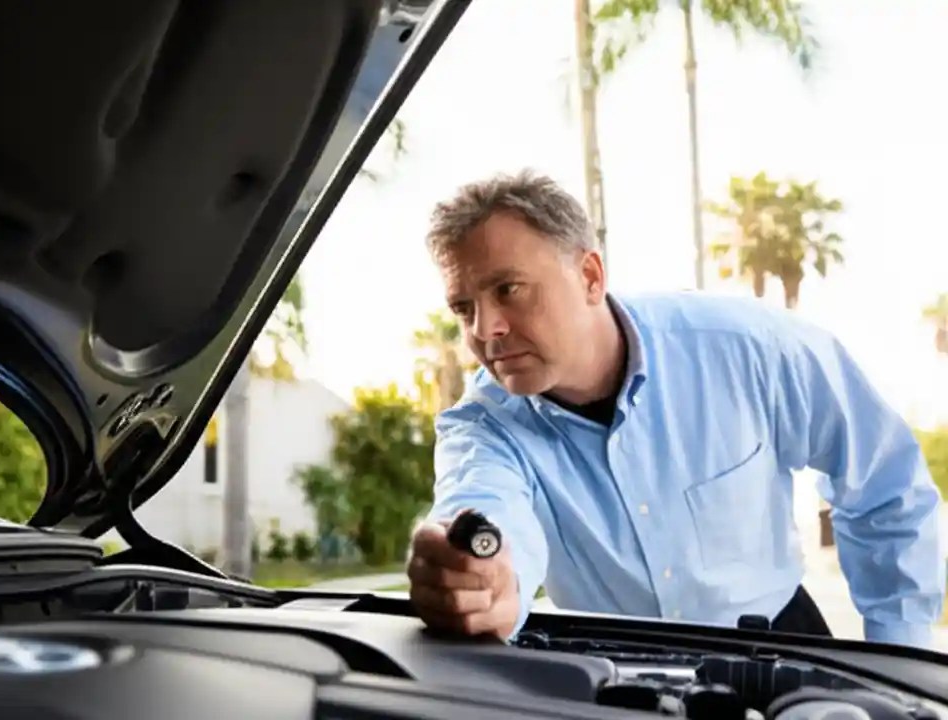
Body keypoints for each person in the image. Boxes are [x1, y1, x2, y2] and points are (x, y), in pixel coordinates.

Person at [405, 169, 945, 648]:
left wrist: (901, 657)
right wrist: (485, 584)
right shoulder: (480, 426)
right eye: (464, 308)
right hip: (613, 679)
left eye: (509, 289)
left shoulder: (748, 348)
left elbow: (884, 484)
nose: (484, 330)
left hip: (781, 647)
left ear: (590, 277)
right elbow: (483, 506)